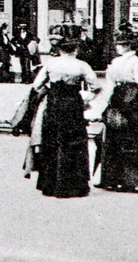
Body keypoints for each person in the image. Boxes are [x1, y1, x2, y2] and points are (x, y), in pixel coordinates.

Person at [29, 36, 102, 198]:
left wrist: (52, 88)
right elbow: (96, 86)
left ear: (59, 49)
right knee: (74, 141)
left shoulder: (51, 63)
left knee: (52, 140)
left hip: (54, 103)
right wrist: (86, 98)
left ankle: (50, 184)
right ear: (75, 49)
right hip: (73, 105)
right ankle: (74, 185)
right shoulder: (81, 65)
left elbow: (37, 85)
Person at [97, 33, 138, 192]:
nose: (118, 46)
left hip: (130, 98)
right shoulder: (116, 62)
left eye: (121, 44)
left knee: (128, 138)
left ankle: (129, 179)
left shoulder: (137, 63)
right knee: (117, 137)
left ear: (128, 45)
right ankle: (113, 178)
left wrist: (132, 101)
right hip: (121, 97)